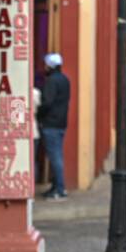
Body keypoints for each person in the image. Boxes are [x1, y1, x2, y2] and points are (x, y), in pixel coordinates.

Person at [36, 53, 70, 200]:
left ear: (50, 66)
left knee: (55, 157)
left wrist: (39, 114)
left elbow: (47, 102)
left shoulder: (51, 81)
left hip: (51, 123)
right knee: (57, 156)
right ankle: (56, 186)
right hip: (61, 123)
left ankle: (60, 189)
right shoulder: (65, 79)